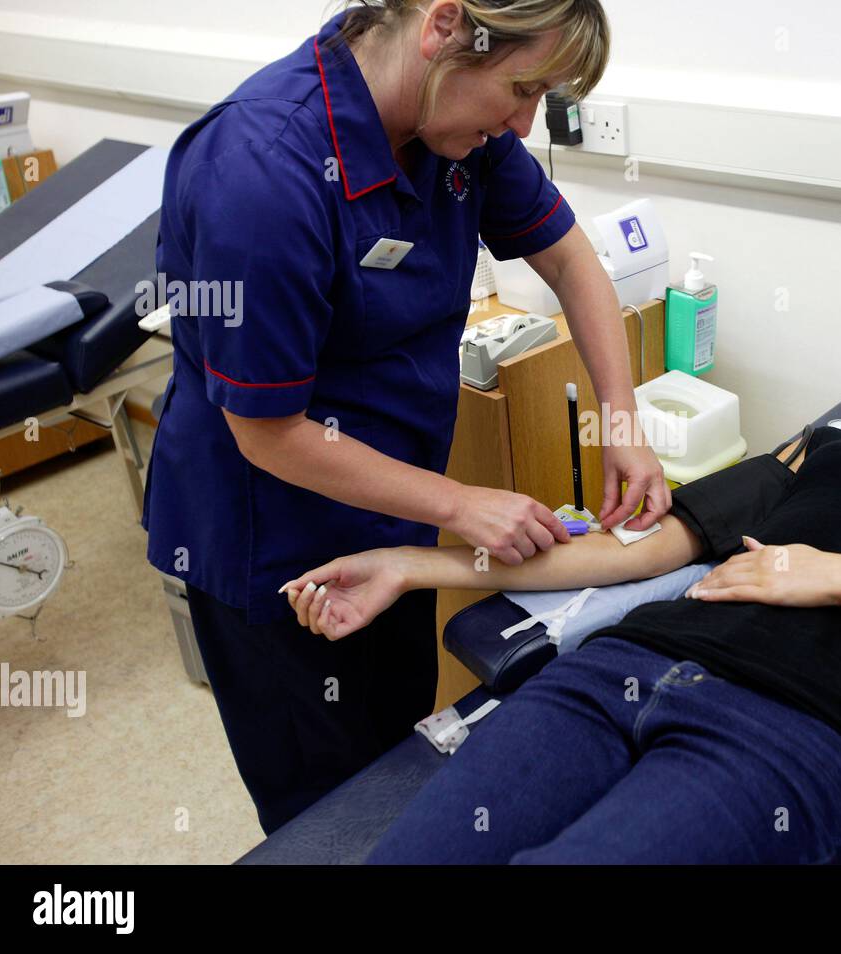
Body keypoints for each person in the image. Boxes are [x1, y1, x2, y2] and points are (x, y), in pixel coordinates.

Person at [141, 0, 668, 835]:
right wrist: (462, 504)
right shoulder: (263, 171)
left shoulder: (460, 131)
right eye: (523, 88)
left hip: (395, 514)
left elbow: (570, 260)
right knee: (330, 812)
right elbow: (265, 430)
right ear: (445, 27)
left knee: (399, 756)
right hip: (271, 535)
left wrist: (622, 421)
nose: (524, 123)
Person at [283, 364, 841, 863]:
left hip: (799, 731)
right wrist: (410, 566)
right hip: (619, 670)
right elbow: (641, 549)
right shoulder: (831, 450)